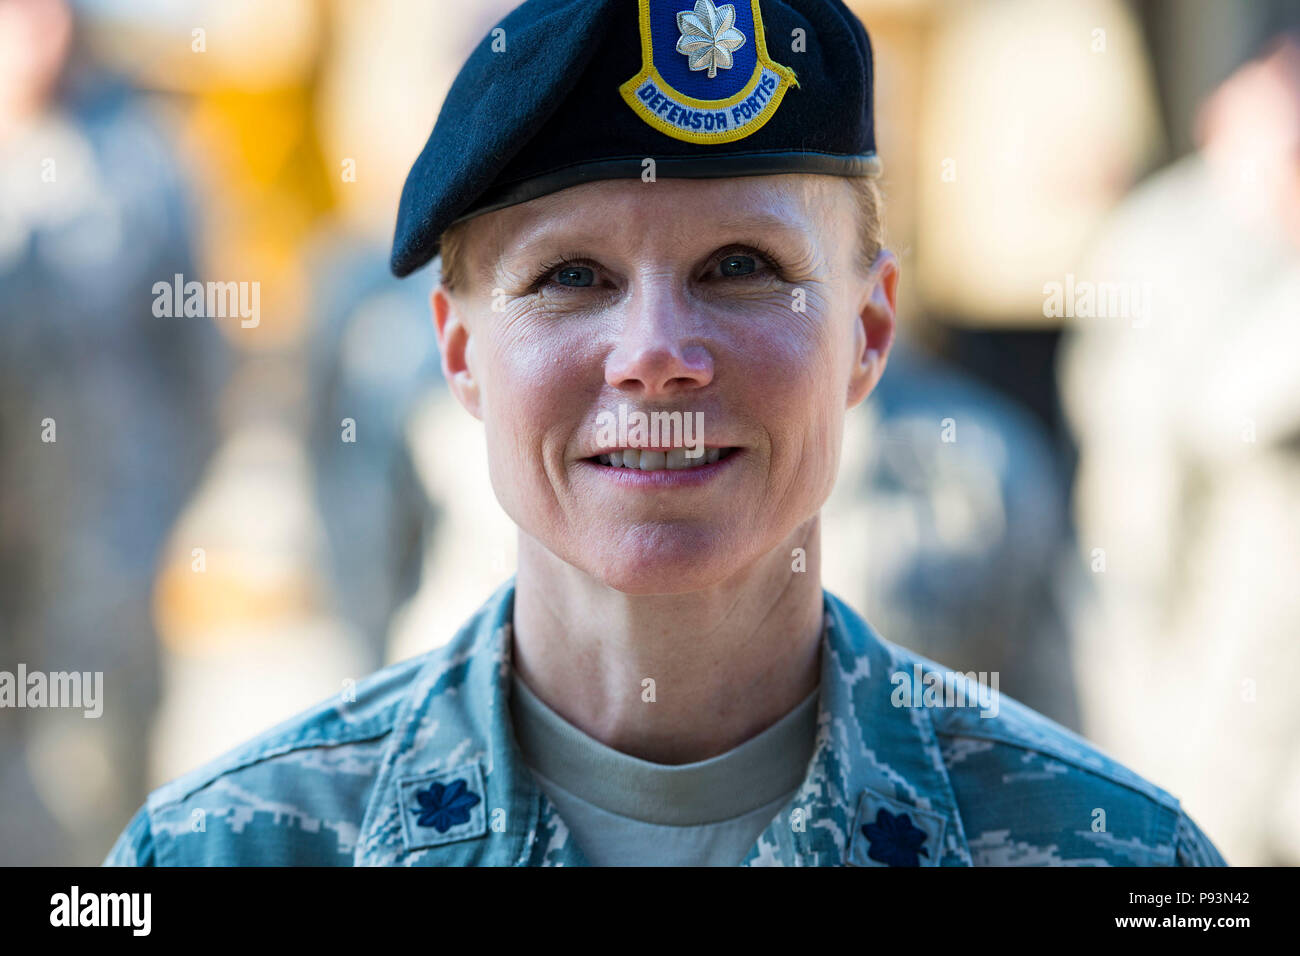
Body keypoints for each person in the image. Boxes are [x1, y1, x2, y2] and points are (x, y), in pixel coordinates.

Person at [104, 0, 1225, 867]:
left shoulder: (1117, 855)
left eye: (742, 267)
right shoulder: (226, 849)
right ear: (457, 353)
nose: (656, 349)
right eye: (571, 275)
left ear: (869, 330)